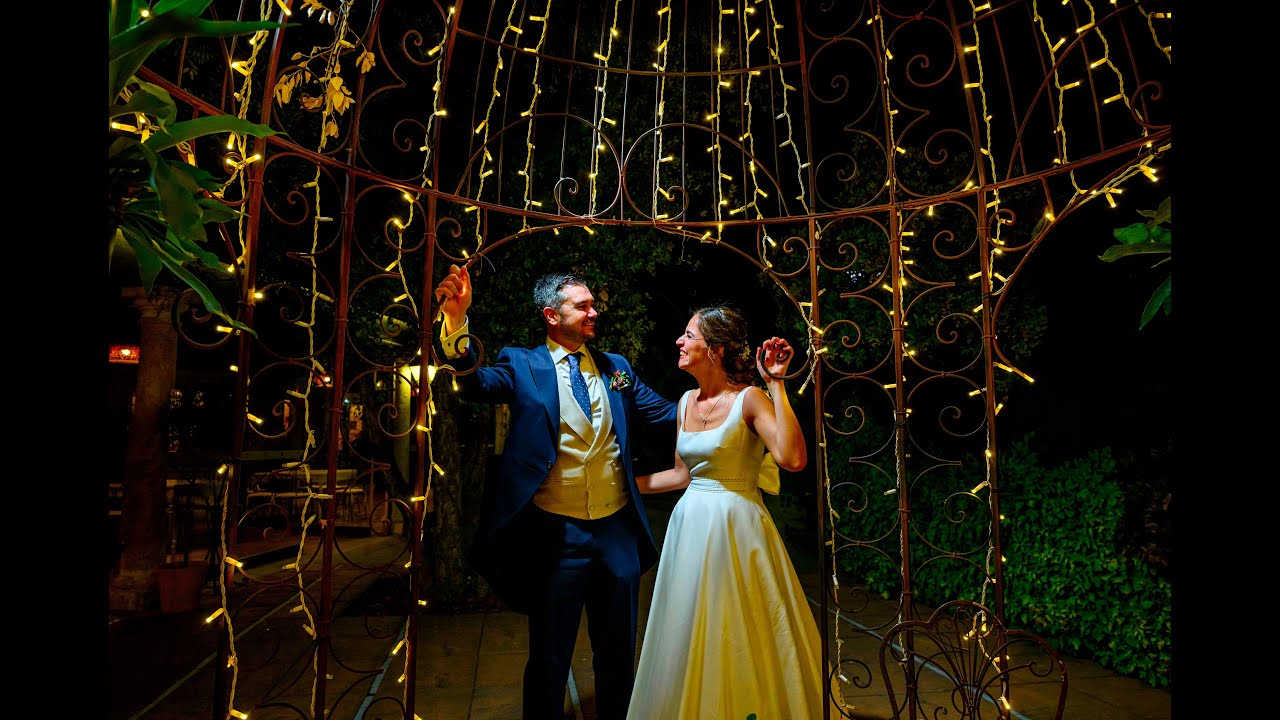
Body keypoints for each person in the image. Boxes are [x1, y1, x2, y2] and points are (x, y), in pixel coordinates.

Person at [433, 264, 677, 720]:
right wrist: (456, 324)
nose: (593, 312)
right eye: (582, 306)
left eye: (593, 304)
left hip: (616, 534)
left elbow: (664, 413)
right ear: (551, 315)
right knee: (548, 659)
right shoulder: (522, 364)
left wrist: (729, 400)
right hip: (554, 535)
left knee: (620, 656)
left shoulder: (615, 368)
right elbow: (474, 384)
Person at [627, 305, 838, 720]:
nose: (679, 342)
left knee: (740, 628)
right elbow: (681, 474)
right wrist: (623, 487)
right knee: (688, 627)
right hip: (689, 529)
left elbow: (792, 459)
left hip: (737, 529)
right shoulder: (686, 401)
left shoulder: (749, 399)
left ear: (718, 349)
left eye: (689, 335)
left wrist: (776, 384)